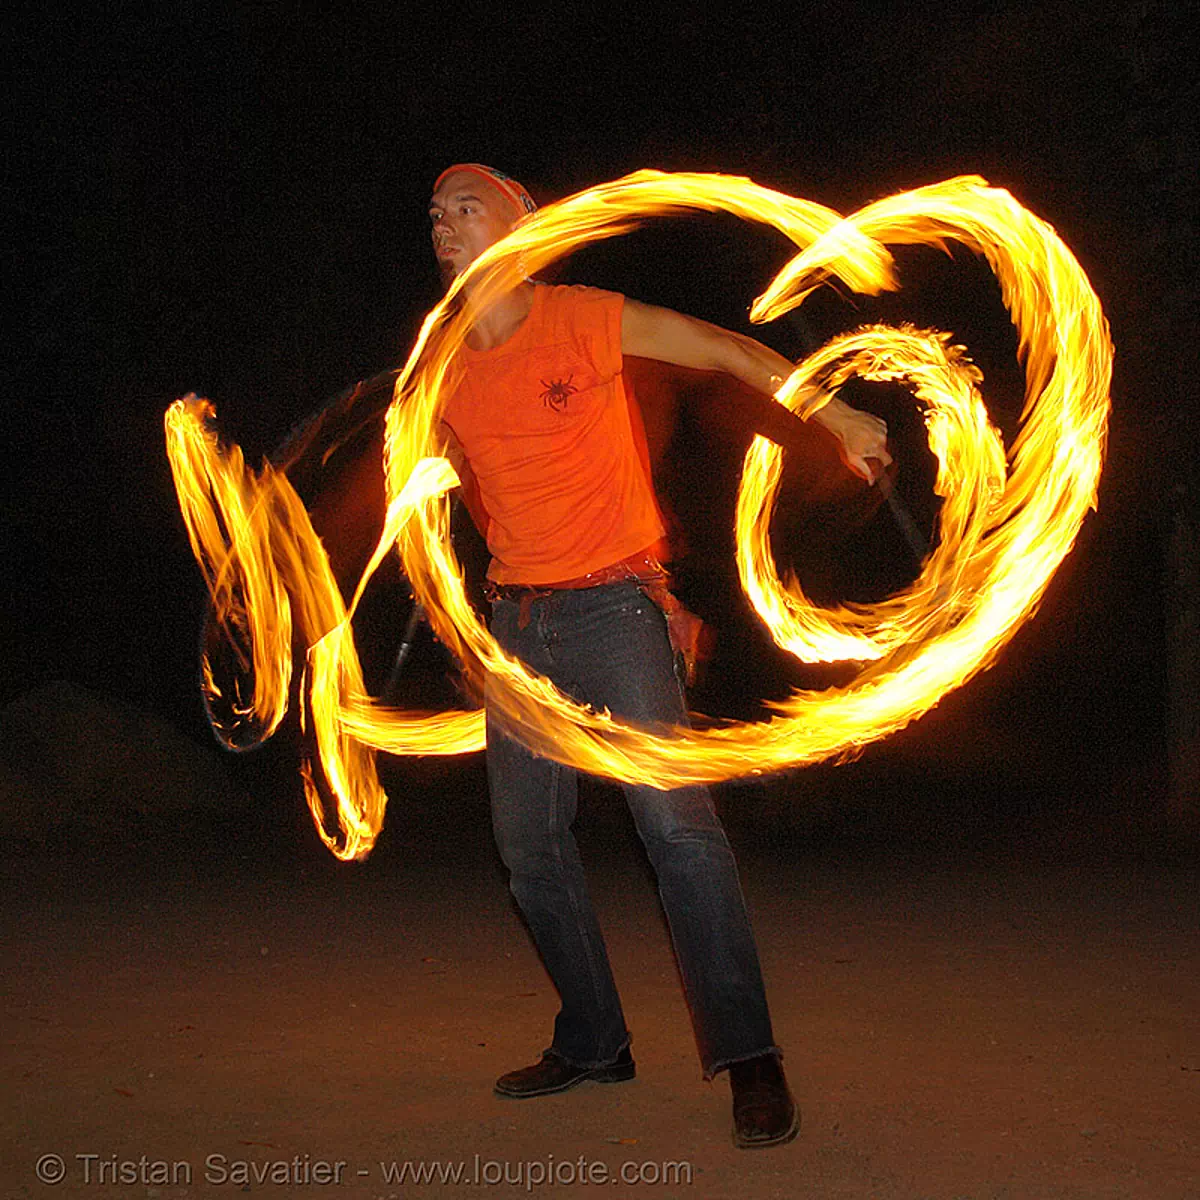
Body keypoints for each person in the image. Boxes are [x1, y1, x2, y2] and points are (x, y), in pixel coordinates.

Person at [427, 163, 890, 1149]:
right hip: (520, 626)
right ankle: (595, 1039)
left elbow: (719, 348)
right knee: (527, 852)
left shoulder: (579, 316)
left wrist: (835, 413)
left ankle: (749, 1059)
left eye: (467, 206)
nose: (444, 224)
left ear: (525, 226)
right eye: (435, 213)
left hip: (612, 612)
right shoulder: (444, 370)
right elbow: (478, 487)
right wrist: (474, 622)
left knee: (678, 836)